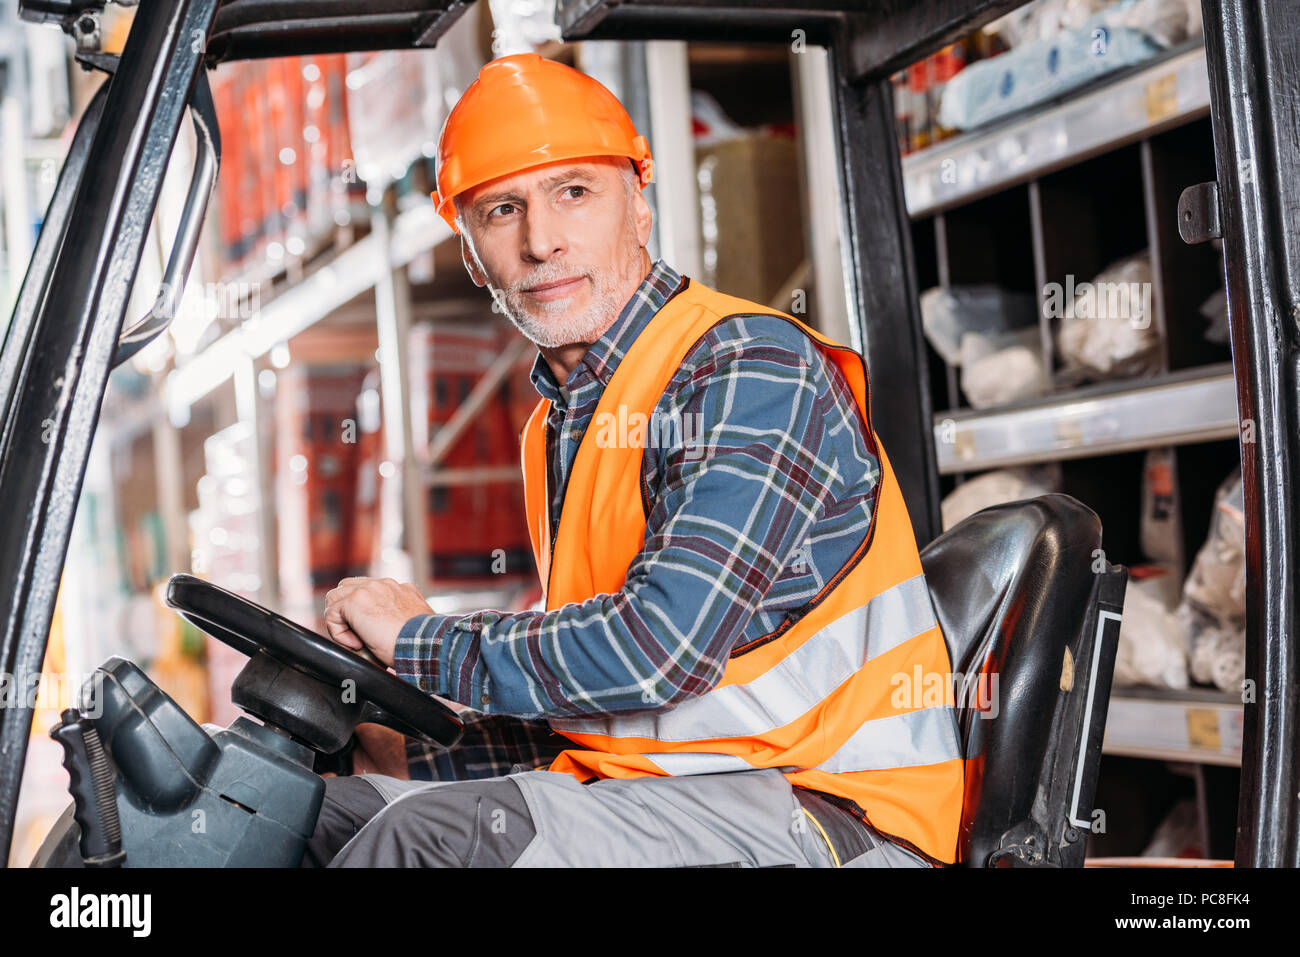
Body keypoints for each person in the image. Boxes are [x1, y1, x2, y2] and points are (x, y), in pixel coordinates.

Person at [304, 53, 964, 868]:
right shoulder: (563, 421)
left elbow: (659, 649)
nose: (542, 240)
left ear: (639, 208)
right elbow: (609, 710)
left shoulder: (749, 366)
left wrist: (419, 641)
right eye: (502, 209)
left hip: (835, 813)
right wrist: (415, 750)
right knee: (307, 813)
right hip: (679, 790)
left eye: (573, 192)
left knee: (426, 843)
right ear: (473, 254)